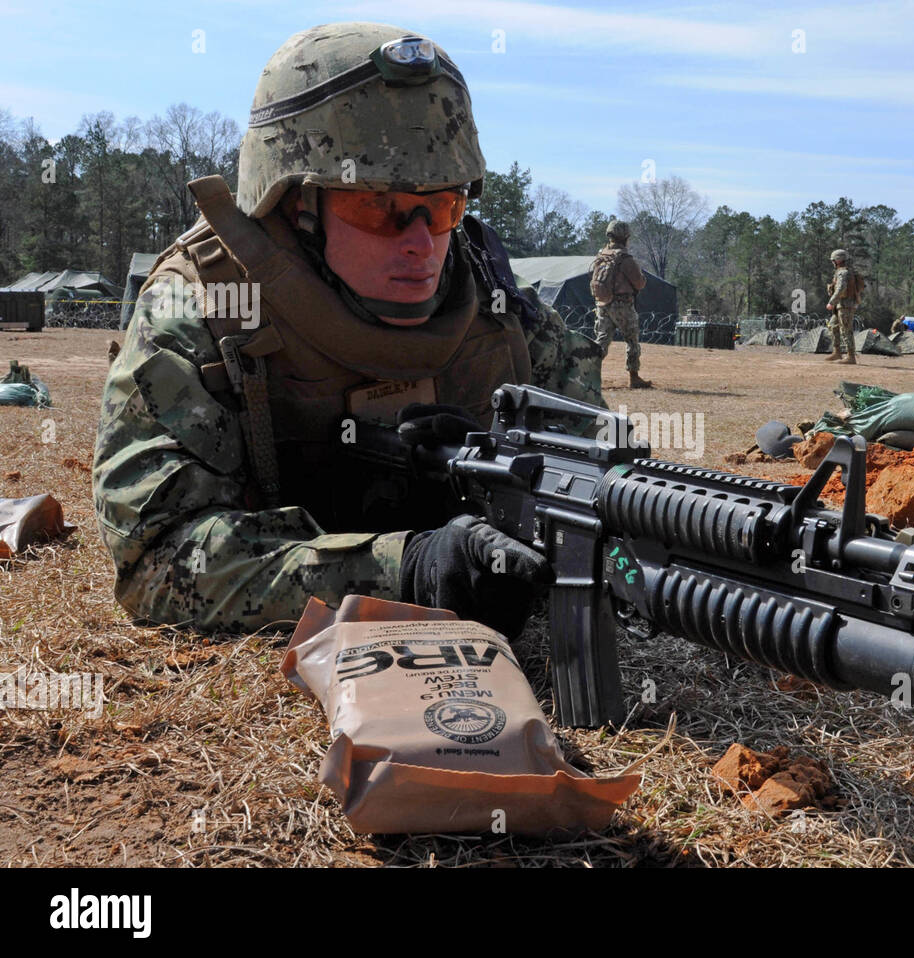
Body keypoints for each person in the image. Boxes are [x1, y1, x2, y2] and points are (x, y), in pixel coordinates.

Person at [92, 22, 603, 637]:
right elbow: (157, 558)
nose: (423, 244)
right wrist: (402, 572)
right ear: (294, 204)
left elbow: (596, 474)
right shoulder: (206, 306)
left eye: (444, 206)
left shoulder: (495, 303)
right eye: (377, 207)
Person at [590, 220, 651, 388]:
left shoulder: (601, 256)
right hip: (622, 304)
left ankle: (589, 376)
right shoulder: (625, 259)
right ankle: (634, 377)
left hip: (602, 303)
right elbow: (639, 283)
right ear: (626, 237)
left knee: (601, 341)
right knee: (632, 340)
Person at [824, 249, 859, 364]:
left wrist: (831, 302)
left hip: (845, 306)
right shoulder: (842, 271)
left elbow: (841, 288)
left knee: (846, 329)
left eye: (833, 260)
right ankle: (837, 352)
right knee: (833, 325)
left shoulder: (843, 273)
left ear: (838, 260)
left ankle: (851, 356)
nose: (833, 262)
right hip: (840, 305)